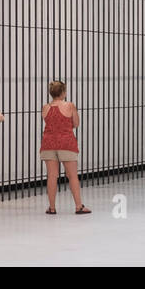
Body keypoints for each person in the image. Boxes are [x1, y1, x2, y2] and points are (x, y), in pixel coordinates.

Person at [40, 80, 90, 215]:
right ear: (63, 92)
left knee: (52, 176)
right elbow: (76, 123)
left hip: (48, 143)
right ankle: (79, 206)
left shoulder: (45, 108)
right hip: (66, 143)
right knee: (72, 175)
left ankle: (52, 208)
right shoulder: (70, 106)